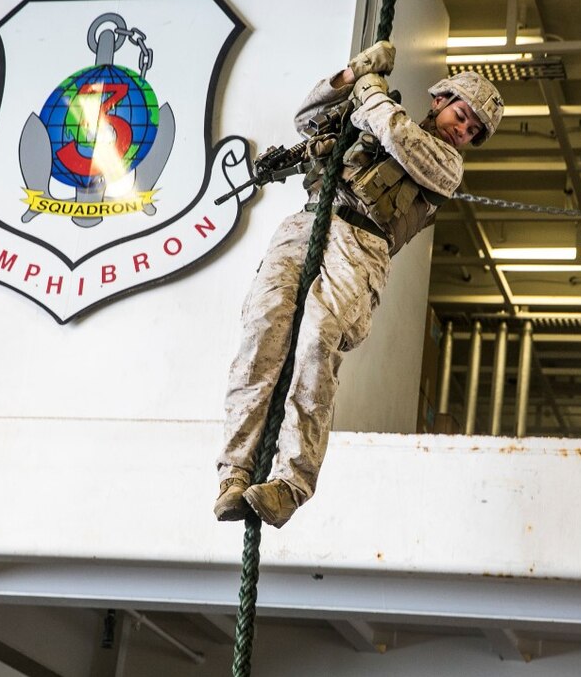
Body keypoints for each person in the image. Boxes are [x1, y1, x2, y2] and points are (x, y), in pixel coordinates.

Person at [215, 42, 503, 527]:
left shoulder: (444, 164)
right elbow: (307, 117)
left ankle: (291, 482)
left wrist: (371, 93)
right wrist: (352, 75)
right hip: (308, 222)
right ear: (440, 99)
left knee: (317, 343)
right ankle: (235, 471)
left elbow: (398, 135)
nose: (464, 130)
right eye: (462, 115)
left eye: (473, 131)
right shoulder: (373, 110)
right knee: (261, 335)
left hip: (363, 246)